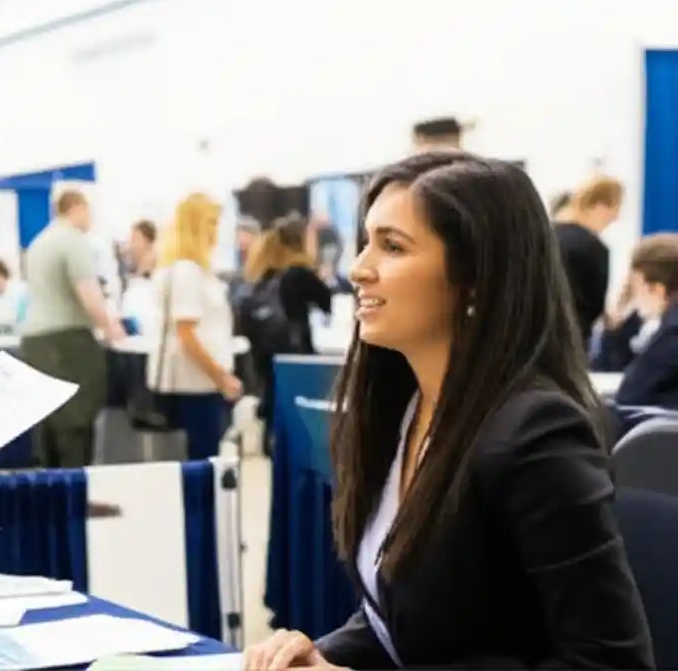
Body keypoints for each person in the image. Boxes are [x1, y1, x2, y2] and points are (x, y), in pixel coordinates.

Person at [244, 152, 652, 670]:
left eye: (392, 246)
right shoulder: (406, 408)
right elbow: (404, 616)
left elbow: (609, 663)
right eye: (366, 242)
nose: (359, 269)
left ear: (475, 278)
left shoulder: (535, 434)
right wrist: (317, 655)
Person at [21, 189, 126, 468]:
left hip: (34, 342)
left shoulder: (37, 243)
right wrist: (112, 328)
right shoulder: (73, 240)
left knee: (47, 425)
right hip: (67, 343)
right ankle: (75, 491)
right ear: (76, 207)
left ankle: (49, 493)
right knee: (75, 426)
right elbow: (88, 292)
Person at [148, 193, 242, 460]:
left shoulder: (184, 269)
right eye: (211, 223)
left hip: (198, 385)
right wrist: (221, 377)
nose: (216, 231)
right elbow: (186, 335)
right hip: (195, 388)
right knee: (201, 467)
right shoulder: (186, 271)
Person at [240, 215, 332, 426]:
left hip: (265, 369)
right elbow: (328, 304)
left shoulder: (261, 278)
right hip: (297, 365)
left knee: (276, 428)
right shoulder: (300, 275)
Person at [554, 175, 623, 346]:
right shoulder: (593, 248)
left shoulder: (543, 236)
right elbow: (594, 305)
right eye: (614, 209)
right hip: (571, 341)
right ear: (600, 206)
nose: (616, 217)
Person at [614, 233, 678, 410]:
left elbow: (628, 396)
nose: (633, 299)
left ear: (657, 289)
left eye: (634, 288)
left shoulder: (672, 333)